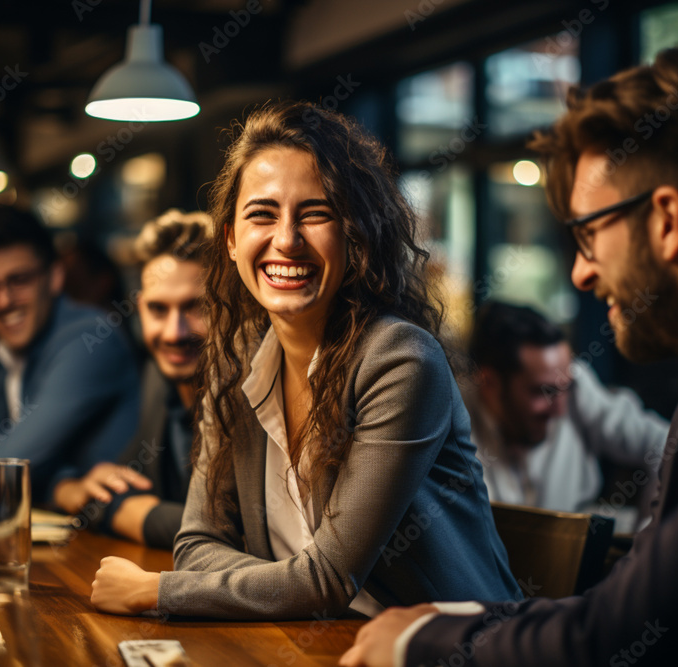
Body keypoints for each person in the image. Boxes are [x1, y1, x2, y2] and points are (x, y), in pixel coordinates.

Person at [341, 37, 678, 667]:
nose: (582, 274)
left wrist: (421, 642)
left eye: (589, 234)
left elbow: (627, 639)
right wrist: (460, 617)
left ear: (667, 221)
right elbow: (629, 603)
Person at [90, 101, 520, 618]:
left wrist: (156, 590)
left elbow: (327, 579)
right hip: (312, 642)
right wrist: (283, 583)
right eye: (262, 215)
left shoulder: (400, 361)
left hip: (448, 649)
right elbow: (196, 542)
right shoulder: (236, 356)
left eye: (316, 213)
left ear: (354, 234)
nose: (286, 240)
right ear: (229, 239)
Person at [0, 207, 140, 507]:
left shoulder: (91, 337)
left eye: (19, 279)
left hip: (115, 534)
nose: (4, 301)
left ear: (55, 277)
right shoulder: (7, 349)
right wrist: (60, 486)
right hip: (64, 533)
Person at [53, 211, 211, 549]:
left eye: (195, 306)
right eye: (158, 309)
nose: (174, 332)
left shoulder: (257, 390)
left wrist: (132, 513)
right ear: (139, 308)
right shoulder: (158, 377)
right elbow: (110, 492)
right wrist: (74, 488)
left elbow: (232, 538)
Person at [467, 301, 666, 516]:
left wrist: (650, 531)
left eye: (566, 387)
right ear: (489, 383)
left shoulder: (576, 384)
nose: (560, 410)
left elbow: (666, 443)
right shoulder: (453, 420)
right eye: (544, 392)